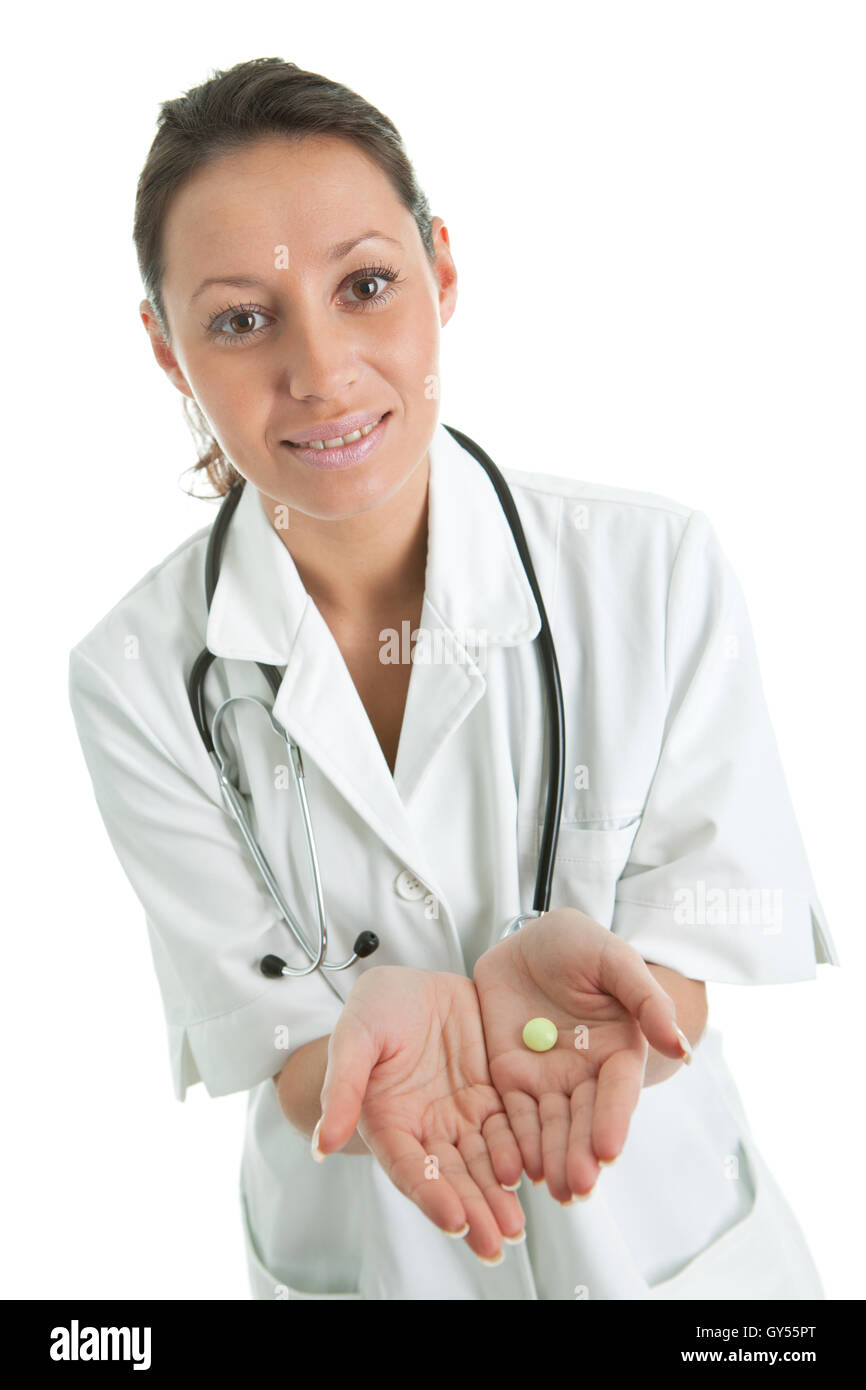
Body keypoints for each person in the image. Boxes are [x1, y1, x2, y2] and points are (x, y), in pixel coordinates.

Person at [68, 57, 838, 1300]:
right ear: (165, 349)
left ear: (442, 271)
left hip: (680, 1265)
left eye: (365, 285)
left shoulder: (651, 569)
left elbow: (710, 936)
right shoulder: (137, 677)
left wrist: (618, 1003)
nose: (320, 371)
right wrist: (359, 1046)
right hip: (369, 1261)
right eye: (239, 318)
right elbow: (269, 1035)